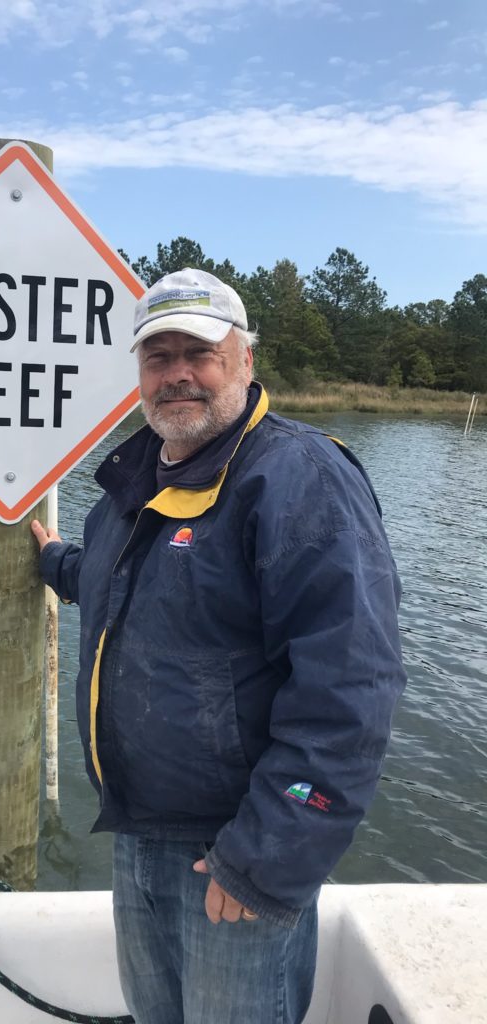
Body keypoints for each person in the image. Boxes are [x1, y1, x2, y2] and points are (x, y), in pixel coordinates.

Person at [31, 268, 407, 1024]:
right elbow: (123, 585)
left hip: (236, 850)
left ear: (245, 361)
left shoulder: (298, 479)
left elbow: (351, 692)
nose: (177, 375)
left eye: (199, 354)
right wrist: (56, 562)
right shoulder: (132, 485)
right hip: (138, 831)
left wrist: (265, 857)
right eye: (158, 356)